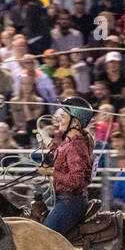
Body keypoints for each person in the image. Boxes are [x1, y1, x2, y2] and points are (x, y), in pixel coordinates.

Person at [42, 97, 96, 237]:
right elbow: (64, 160)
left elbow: (76, 180)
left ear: (75, 122)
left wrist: (50, 172)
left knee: (44, 237)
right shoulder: (71, 142)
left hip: (70, 203)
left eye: (63, 116)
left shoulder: (74, 145)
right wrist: (50, 145)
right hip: (65, 200)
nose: (59, 119)